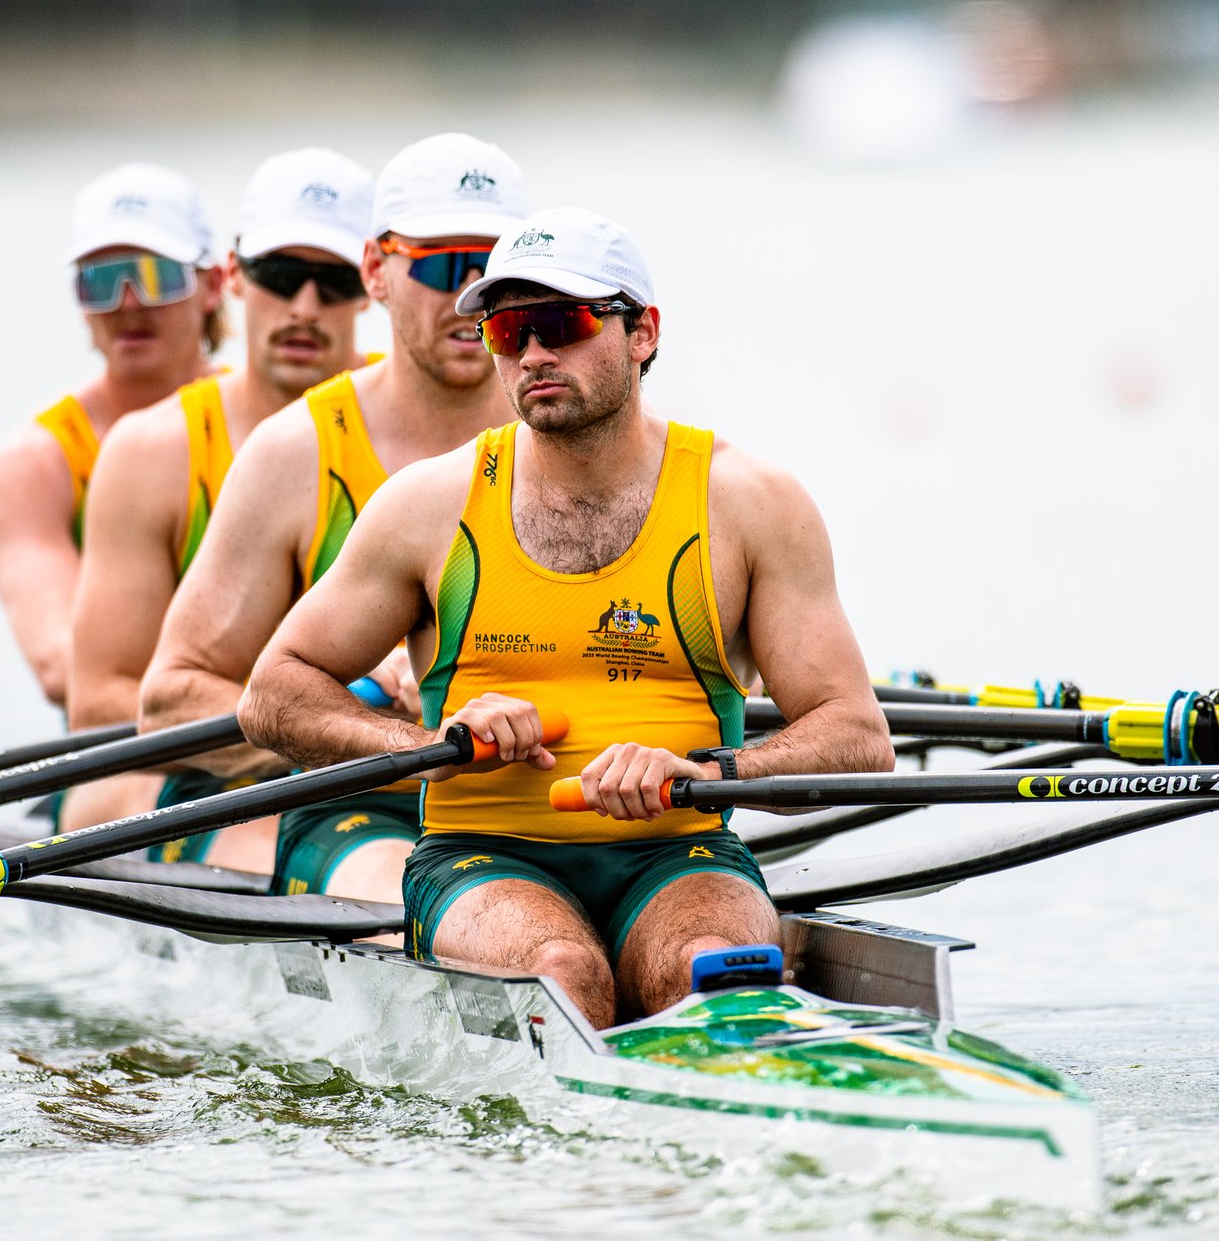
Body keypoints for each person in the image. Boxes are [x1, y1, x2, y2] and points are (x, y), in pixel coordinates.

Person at [236, 207, 893, 1027]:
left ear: (643, 332)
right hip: (481, 858)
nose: (534, 354)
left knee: (704, 966)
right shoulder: (427, 507)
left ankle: (727, 1051)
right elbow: (272, 692)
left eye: (563, 324)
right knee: (563, 972)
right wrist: (425, 747)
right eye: (508, 331)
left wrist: (707, 772)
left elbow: (857, 737)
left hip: (681, 850)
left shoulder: (751, 502)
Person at [139, 132, 528, 902]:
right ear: (376, 272)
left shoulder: (574, 429)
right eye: (443, 264)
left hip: (530, 802)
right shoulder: (294, 451)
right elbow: (168, 700)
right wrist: (354, 708)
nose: (471, 294)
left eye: (494, 268)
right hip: (350, 807)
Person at [59, 149, 376, 863]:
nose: (304, 308)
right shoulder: (151, 451)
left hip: (372, 771)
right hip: (201, 773)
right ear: (233, 275)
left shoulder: (425, 427)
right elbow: (99, 701)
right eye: (280, 276)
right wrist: (325, 724)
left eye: (334, 282)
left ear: (373, 283)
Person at [0, 163, 223, 709]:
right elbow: (61, 667)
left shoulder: (278, 423)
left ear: (212, 287)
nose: (127, 302)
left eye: (156, 276)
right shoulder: (35, 462)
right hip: (136, 742)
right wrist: (269, 714)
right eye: (100, 281)